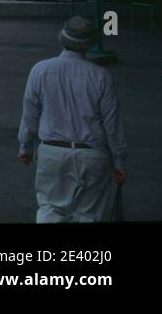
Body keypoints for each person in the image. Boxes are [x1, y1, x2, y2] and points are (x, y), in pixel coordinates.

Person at [18, 16, 127, 222]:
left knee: (49, 209)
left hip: (52, 151)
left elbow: (30, 114)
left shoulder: (40, 70)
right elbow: (112, 124)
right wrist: (119, 161)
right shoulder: (102, 76)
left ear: (63, 39)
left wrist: (25, 147)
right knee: (87, 215)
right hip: (93, 155)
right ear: (89, 44)